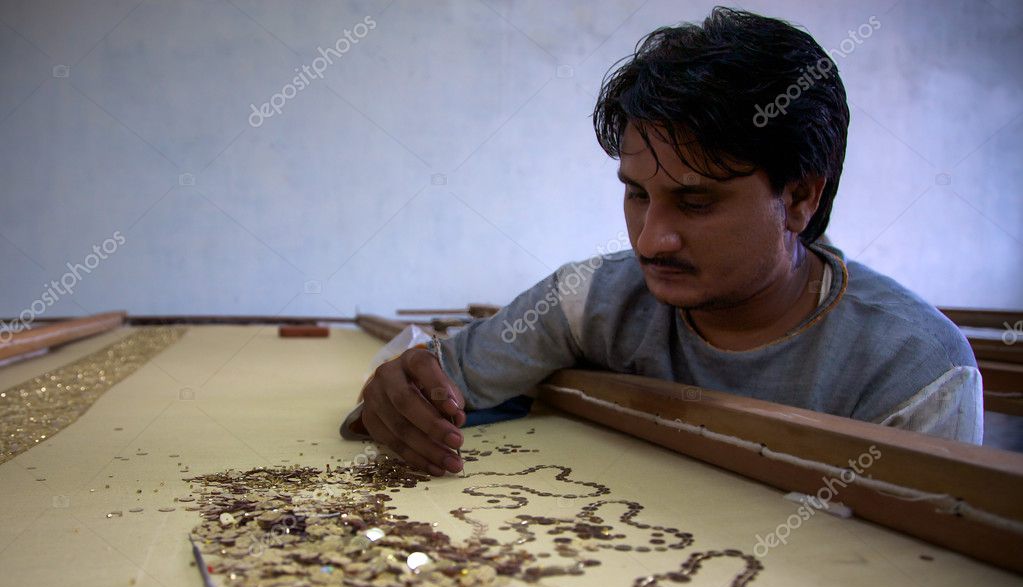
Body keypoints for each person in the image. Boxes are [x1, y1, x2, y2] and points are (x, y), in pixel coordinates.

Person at [343, 7, 981, 476]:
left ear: (799, 198)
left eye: (696, 200)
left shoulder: (919, 374)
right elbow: (437, 381)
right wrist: (398, 389)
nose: (651, 240)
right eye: (637, 194)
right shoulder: (588, 300)